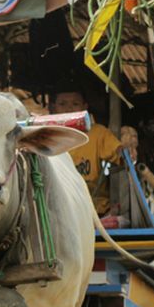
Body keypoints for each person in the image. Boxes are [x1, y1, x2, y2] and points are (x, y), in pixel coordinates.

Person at [49, 89, 125, 217]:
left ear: (85, 107)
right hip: (55, 211)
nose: (69, 109)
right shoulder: (45, 136)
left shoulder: (98, 133)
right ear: (53, 108)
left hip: (94, 211)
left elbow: (124, 157)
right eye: (62, 104)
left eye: (75, 104)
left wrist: (128, 144)